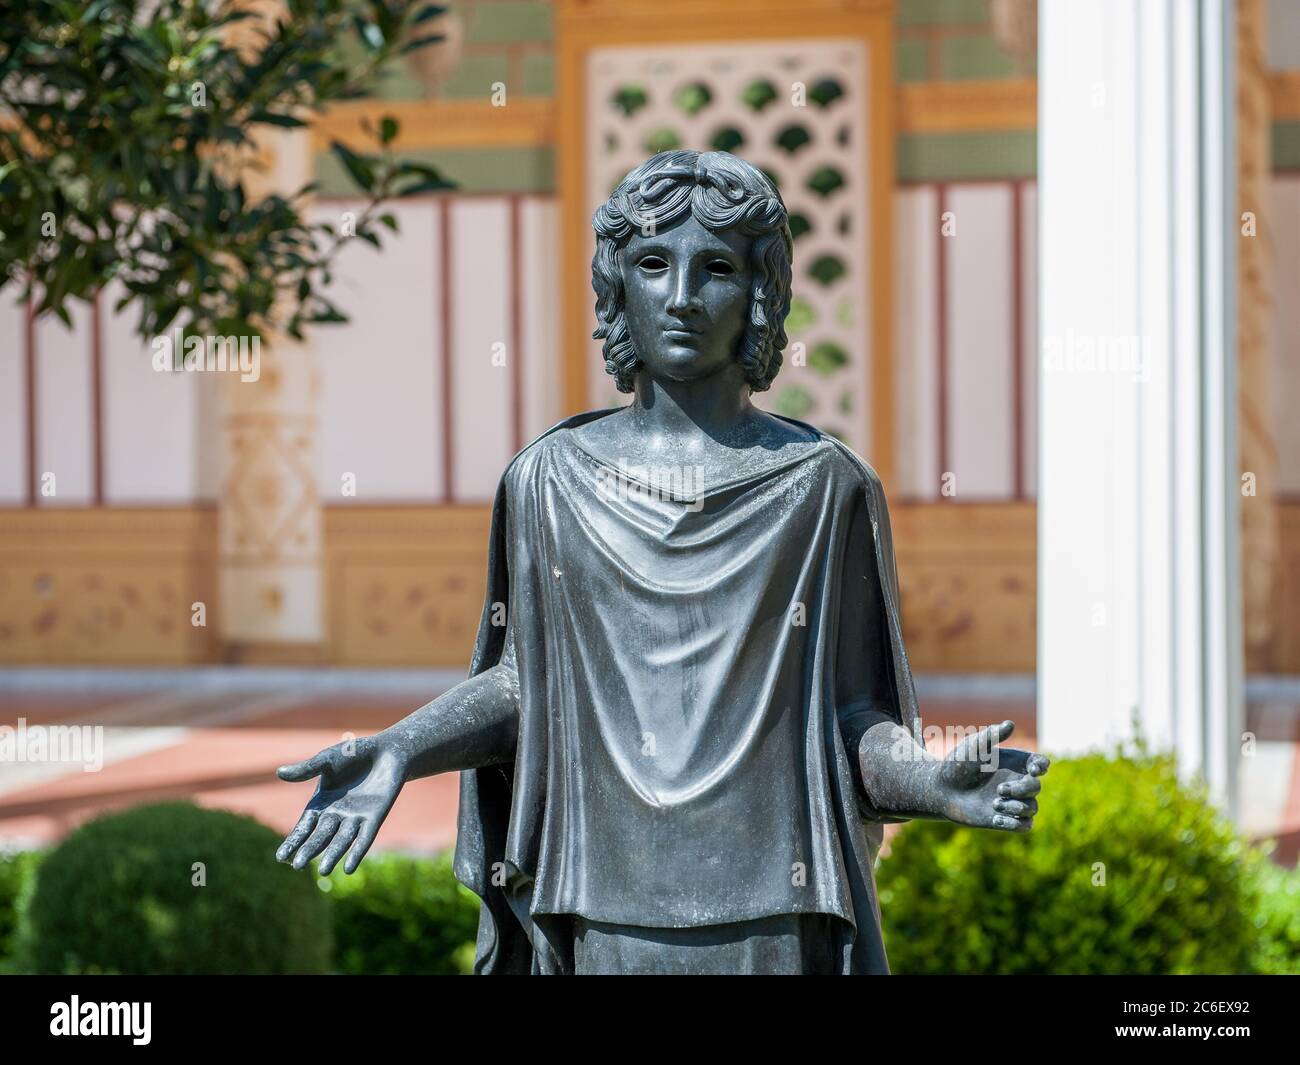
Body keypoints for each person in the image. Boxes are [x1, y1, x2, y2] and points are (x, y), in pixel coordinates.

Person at [276, 149, 1049, 974]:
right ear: (616, 285)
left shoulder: (824, 489)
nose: (680, 296)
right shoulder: (547, 480)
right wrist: (401, 745)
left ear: (760, 293)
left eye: (715, 267)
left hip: (774, 910)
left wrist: (928, 783)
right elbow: (526, 686)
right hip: (600, 901)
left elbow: (853, 718)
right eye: (652, 263)